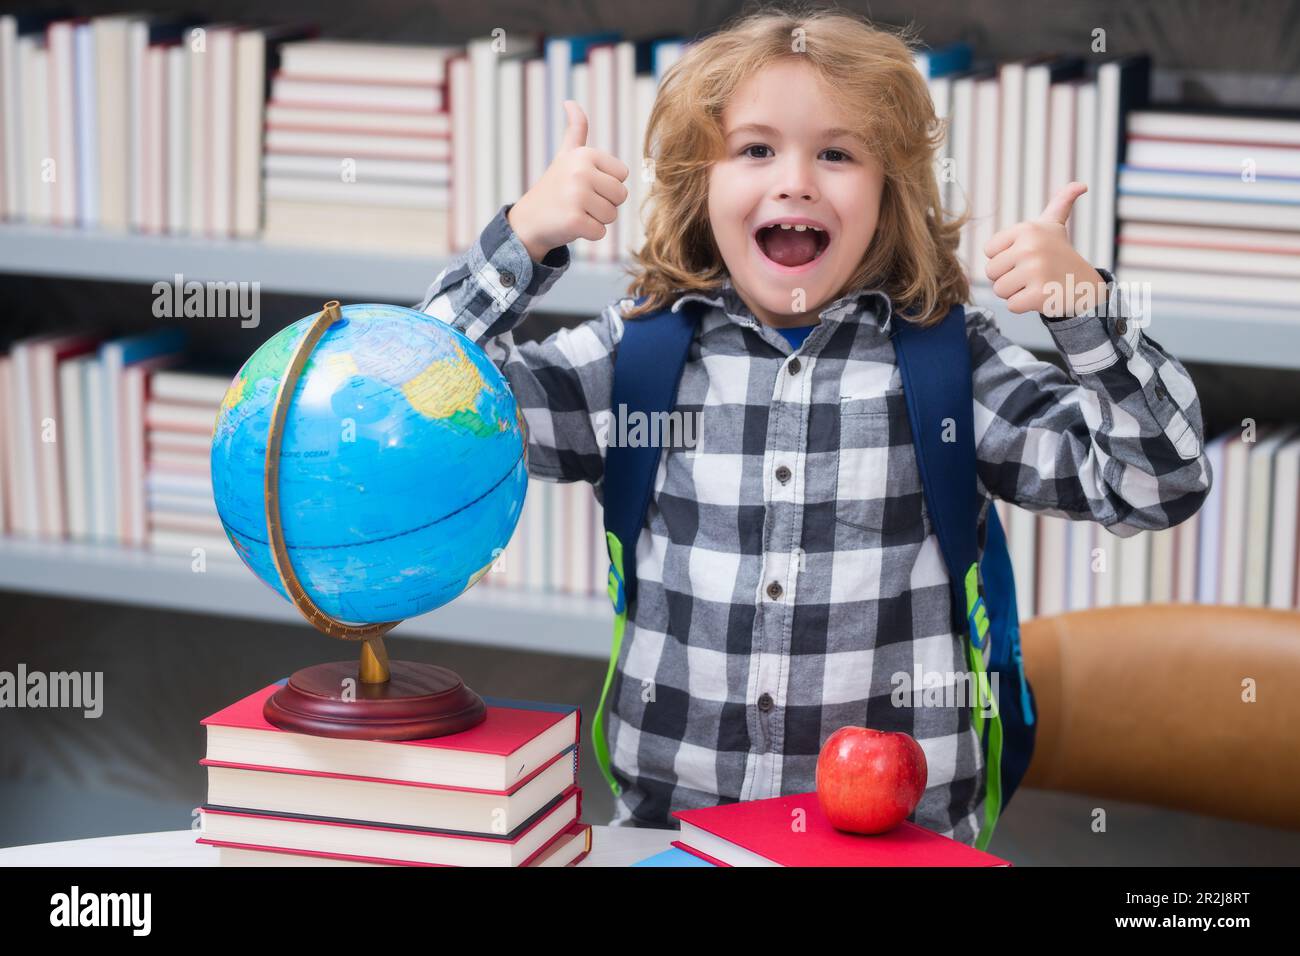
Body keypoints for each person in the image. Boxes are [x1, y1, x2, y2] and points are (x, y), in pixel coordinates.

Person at [416, 7, 1211, 845]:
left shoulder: (950, 367)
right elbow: (419, 403)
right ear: (699, 182)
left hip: (900, 844)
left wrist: (1085, 311)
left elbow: (1157, 483)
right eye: (755, 149)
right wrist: (523, 241)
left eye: (837, 153)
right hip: (669, 836)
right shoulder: (636, 357)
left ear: (889, 191)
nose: (795, 181)